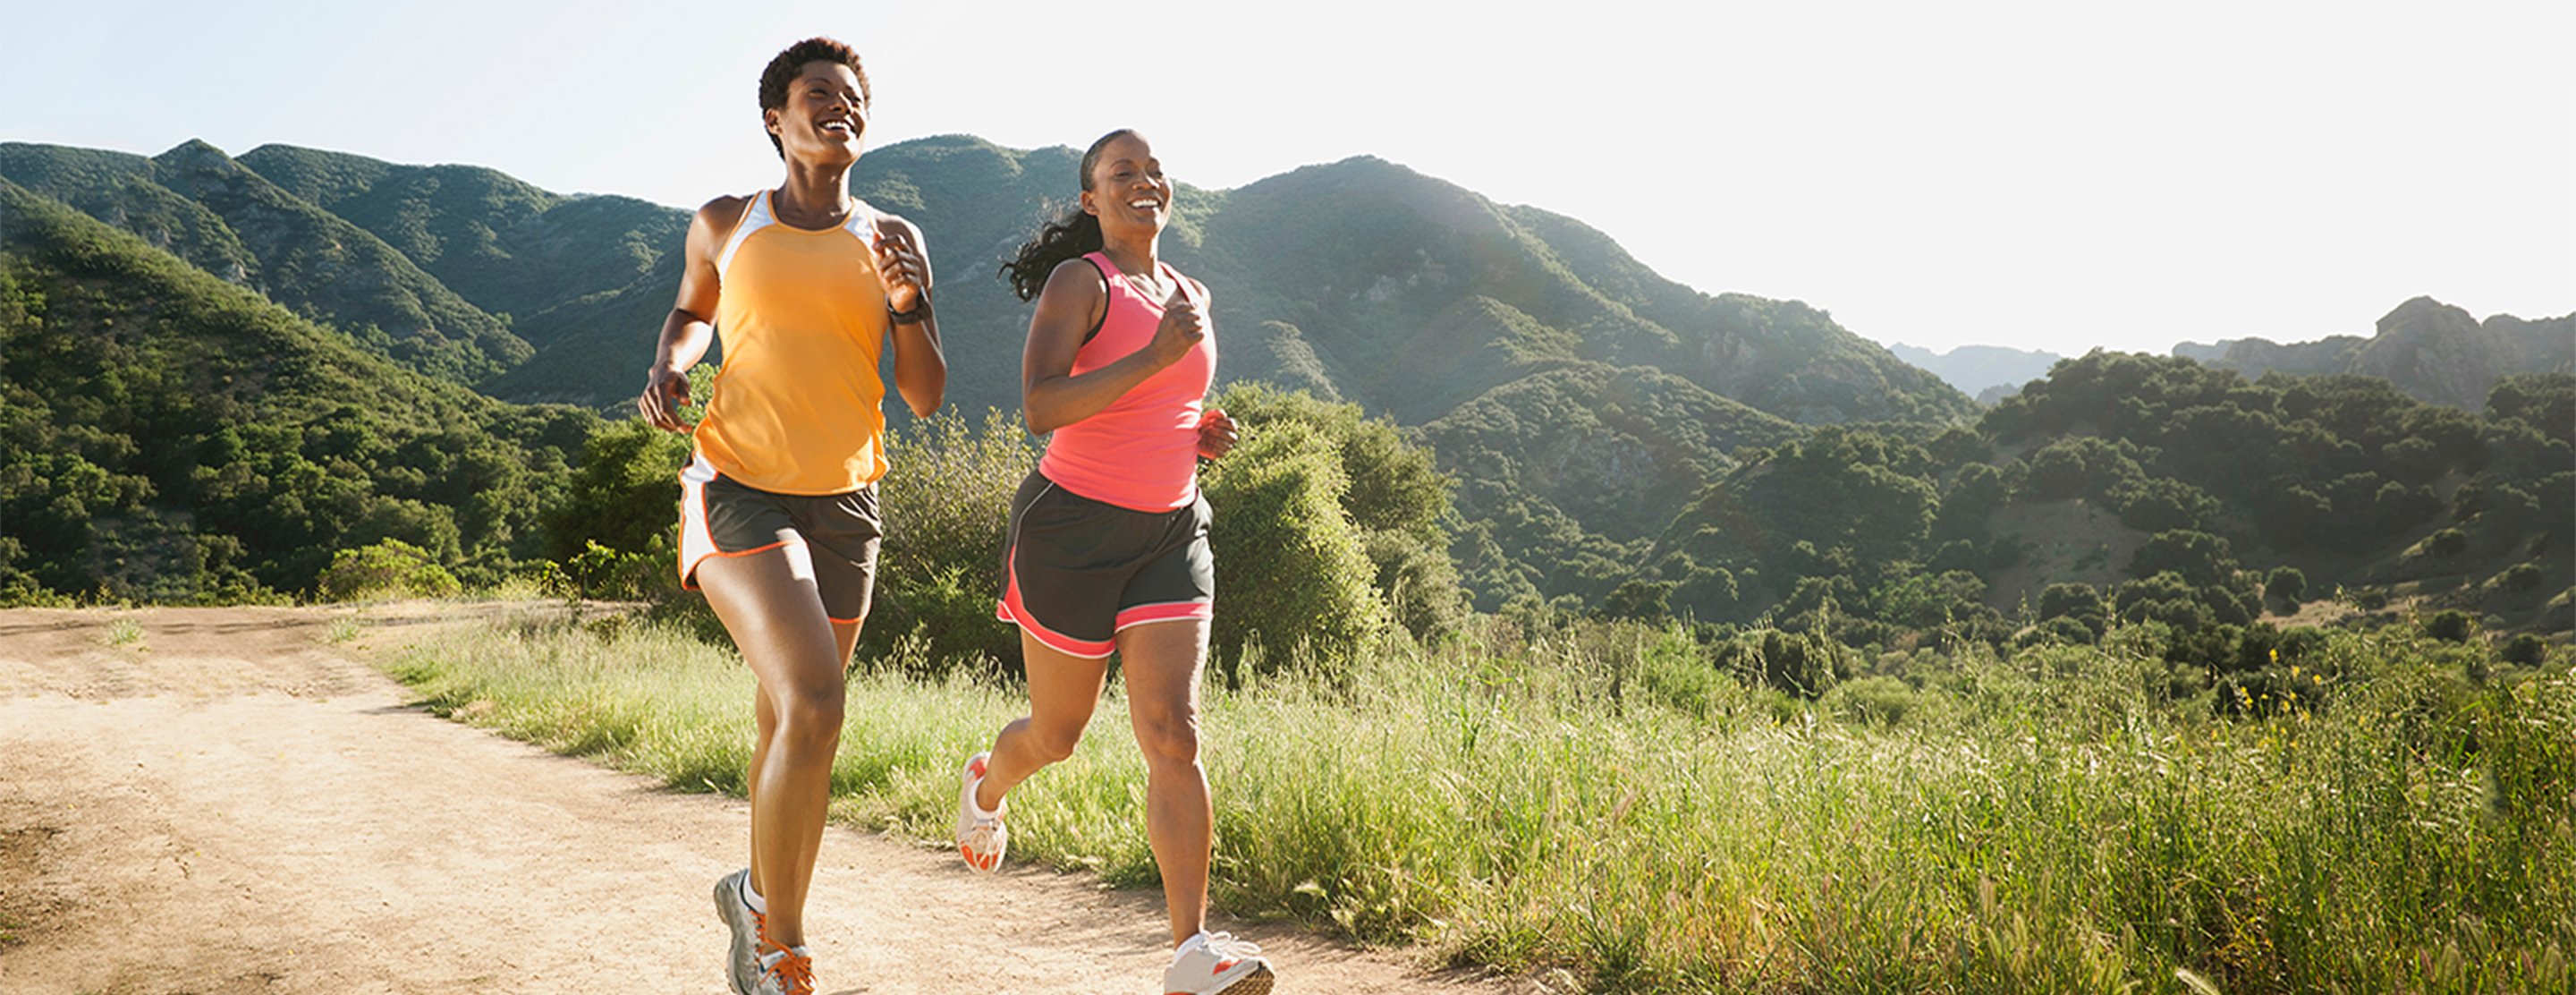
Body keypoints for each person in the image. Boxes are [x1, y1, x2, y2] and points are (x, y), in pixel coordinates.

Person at [636, 37, 945, 995]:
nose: (839, 107)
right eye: (819, 94)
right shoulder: (729, 221)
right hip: (738, 481)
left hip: (849, 498)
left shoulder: (894, 235)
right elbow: (692, 309)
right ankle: (781, 945)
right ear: (777, 118)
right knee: (816, 700)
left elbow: (927, 393)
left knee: (789, 721)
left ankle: (751, 892)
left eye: (853, 97)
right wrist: (674, 362)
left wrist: (909, 297)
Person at [957, 128, 1271, 995]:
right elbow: (1042, 403)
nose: (1145, 181)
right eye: (1121, 172)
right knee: (1055, 735)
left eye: (1154, 170)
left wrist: (1204, 432)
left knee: (1175, 730)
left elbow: (1169, 401)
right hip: (1073, 533)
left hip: (1173, 532)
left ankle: (1191, 950)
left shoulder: (1190, 291)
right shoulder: (1079, 281)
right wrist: (1155, 357)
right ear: (1091, 199)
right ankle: (987, 784)